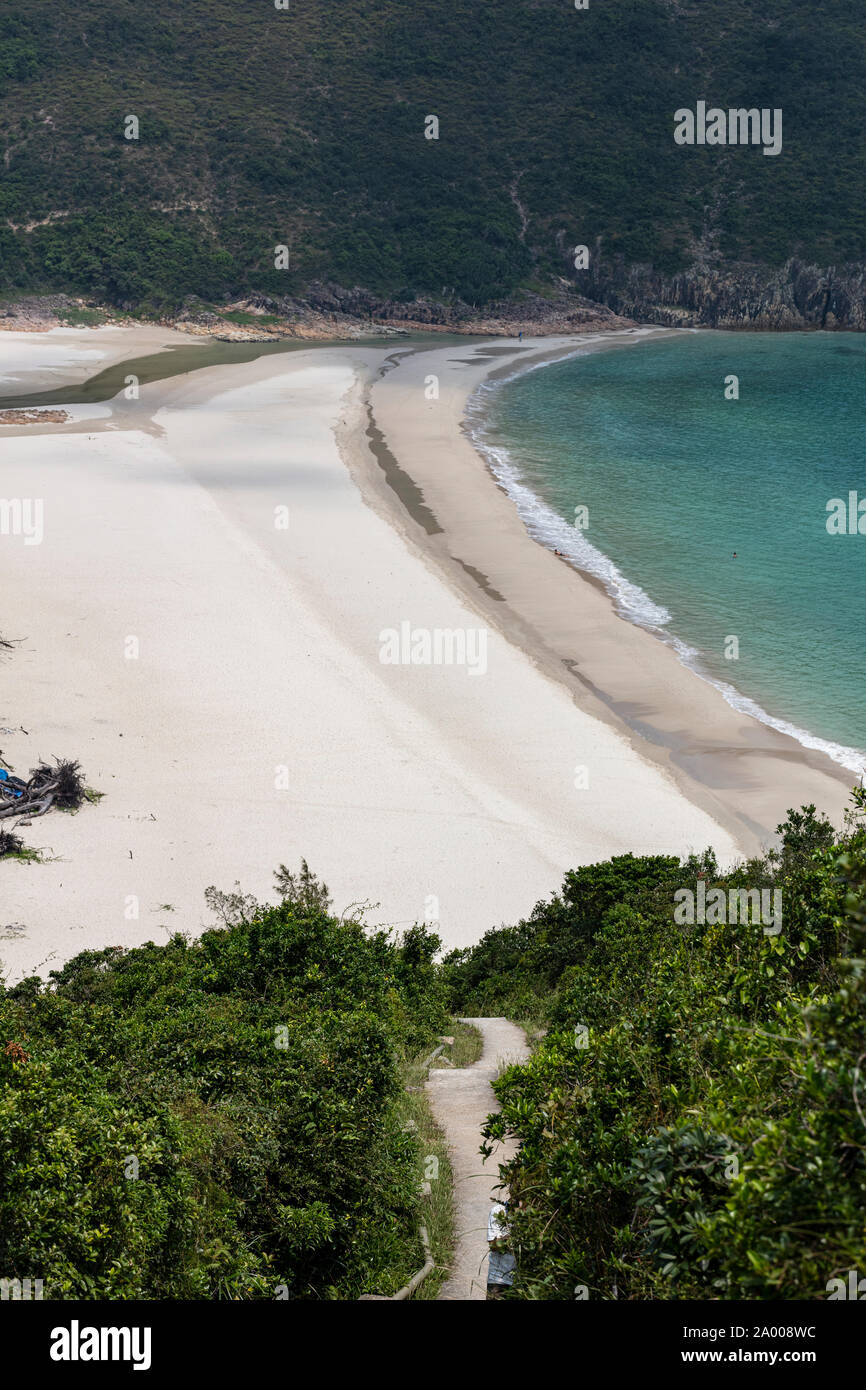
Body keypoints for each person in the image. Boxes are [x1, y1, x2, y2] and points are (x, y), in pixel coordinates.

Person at [487, 1198, 516, 1298]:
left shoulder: (531, 1214)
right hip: (498, 1278)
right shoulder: (498, 1211)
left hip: (520, 1279)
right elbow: (493, 1245)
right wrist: (514, 1237)